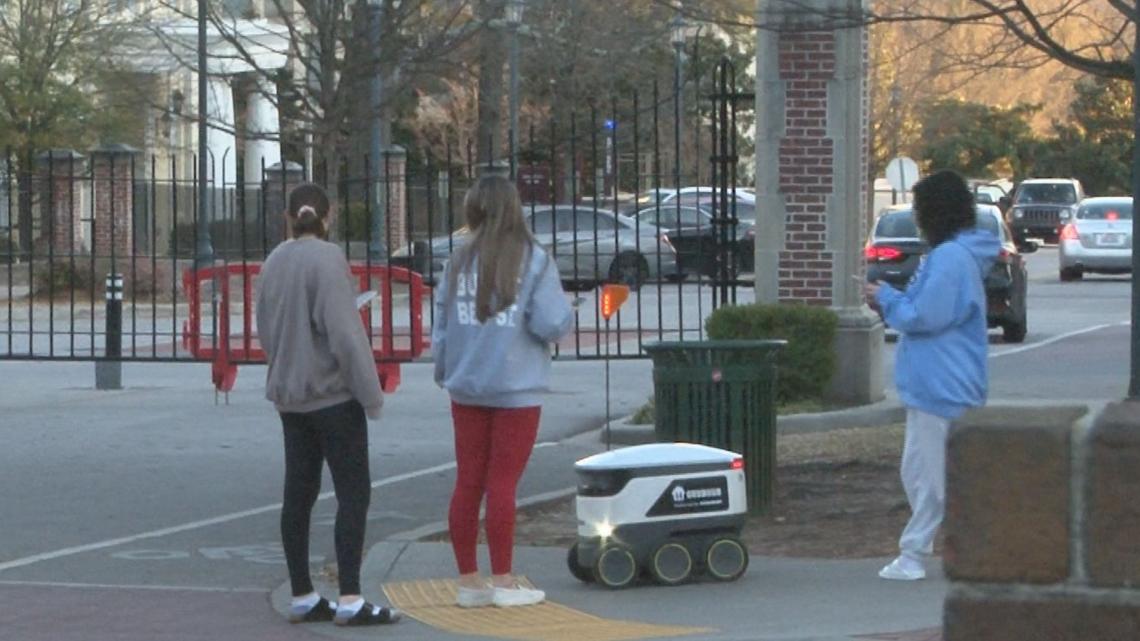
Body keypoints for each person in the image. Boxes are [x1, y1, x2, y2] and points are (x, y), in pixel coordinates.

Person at [255, 183, 401, 626]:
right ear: (329, 215)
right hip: (332, 396)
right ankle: (352, 596)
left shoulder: (274, 261)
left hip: (290, 396)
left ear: (287, 217)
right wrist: (370, 396)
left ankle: (302, 591)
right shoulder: (329, 259)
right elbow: (345, 334)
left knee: (297, 493)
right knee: (353, 492)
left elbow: (265, 327)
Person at [432, 174, 575, 608]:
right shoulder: (533, 259)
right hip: (516, 387)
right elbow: (550, 323)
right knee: (504, 483)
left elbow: (441, 328)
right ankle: (504, 579)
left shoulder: (457, 261)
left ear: (472, 210)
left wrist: (446, 371)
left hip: (467, 387)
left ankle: (469, 580)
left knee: (468, 481)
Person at [863, 169, 999, 581]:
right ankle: (946, 551)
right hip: (941, 383)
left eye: (922, 209)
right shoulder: (954, 257)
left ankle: (916, 555)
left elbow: (926, 316)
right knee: (925, 473)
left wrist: (887, 298)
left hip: (941, 383)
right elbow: (930, 310)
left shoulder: (949, 259)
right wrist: (891, 301)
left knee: (931, 479)